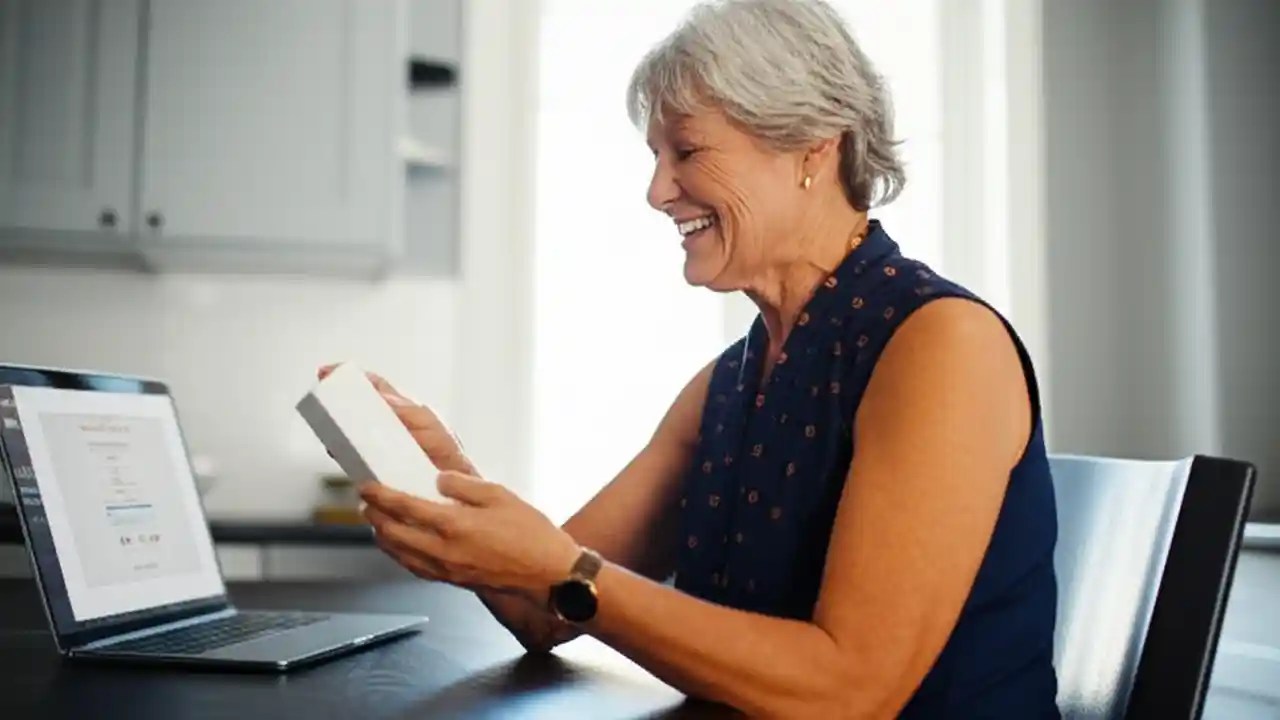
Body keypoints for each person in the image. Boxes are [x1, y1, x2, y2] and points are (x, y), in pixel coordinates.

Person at [335, 0, 1060, 716]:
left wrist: (563, 570)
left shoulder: (941, 347)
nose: (657, 192)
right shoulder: (729, 380)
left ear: (813, 145)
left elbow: (847, 694)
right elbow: (546, 608)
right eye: (656, 157)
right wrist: (446, 486)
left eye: (687, 150)